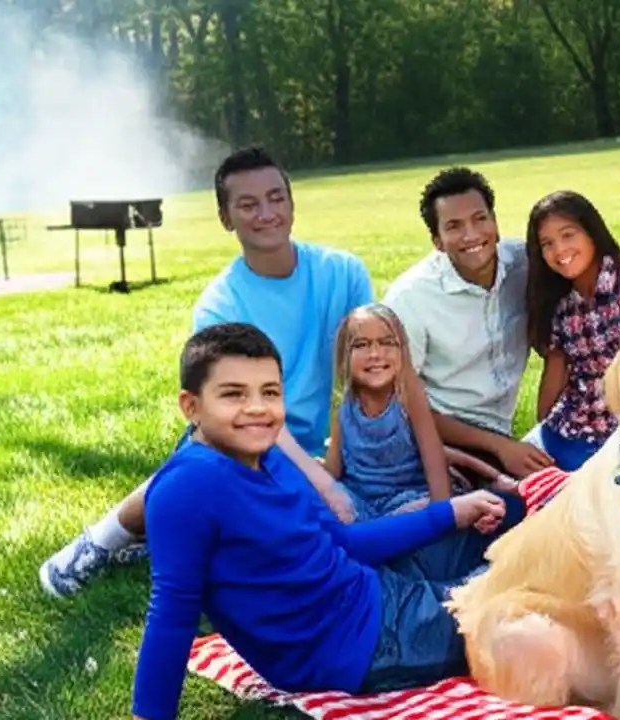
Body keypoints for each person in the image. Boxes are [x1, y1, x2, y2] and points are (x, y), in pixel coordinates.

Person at [39, 145, 373, 598]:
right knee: (210, 459)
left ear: (292, 203)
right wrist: (323, 484)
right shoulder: (221, 304)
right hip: (246, 439)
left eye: (276, 198)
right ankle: (104, 539)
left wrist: (338, 457)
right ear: (225, 218)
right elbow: (234, 412)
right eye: (248, 204)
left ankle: (180, 533)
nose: (266, 213)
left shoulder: (344, 273)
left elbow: (360, 380)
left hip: (323, 448)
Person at [132, 323, 508, 720]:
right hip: (359, 647)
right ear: (191, 406)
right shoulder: (189, 487)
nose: (257, 408)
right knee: (525, 602)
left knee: (508, 518)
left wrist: (447, 514)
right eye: (233, 394)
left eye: (270, 392)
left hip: (372, 591)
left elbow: (342, 543)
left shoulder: (269, 454)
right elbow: (172, 614)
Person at [382, 167, 553, 482]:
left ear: (496, 223)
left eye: (479, 219)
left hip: (502, 435)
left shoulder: (527, 265)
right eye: (454, 226)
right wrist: (499, 446)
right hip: (438, 439)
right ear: (437, 241)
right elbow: (399, 404)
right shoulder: (410, 299)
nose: (472, 235)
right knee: (500, 514)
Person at [521, 190, 620, 471]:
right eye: (547, 243)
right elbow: (556, 368)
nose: (559, 250)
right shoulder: (558, 297)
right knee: (522, 489)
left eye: (568, 235)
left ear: (591, 232)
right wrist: (540, 431)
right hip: (574, 423)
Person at [324, 303, 518, 518]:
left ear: (403, 351)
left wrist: (444, 514)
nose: (375, 354)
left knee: (414, 514)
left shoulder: (407, 396)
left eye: (387, 343)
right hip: (361, 500)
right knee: (327, 504)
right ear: (344, 356)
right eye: (361, 345)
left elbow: (434, 458)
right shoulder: (345, 405)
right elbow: (333, 472)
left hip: (408, 498)